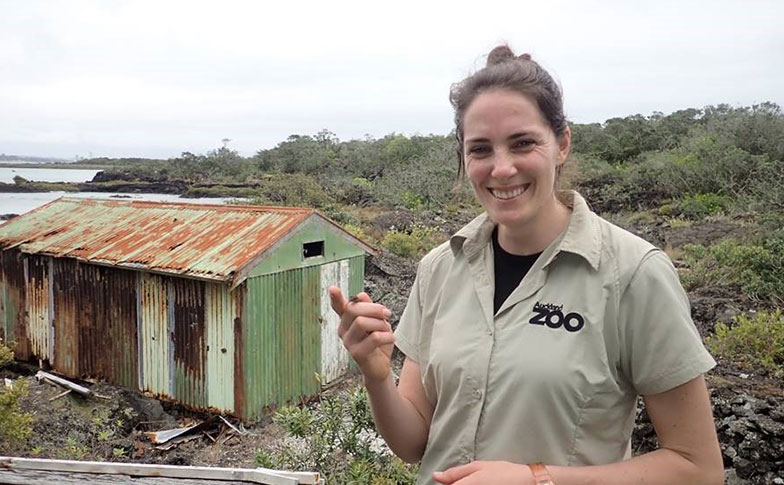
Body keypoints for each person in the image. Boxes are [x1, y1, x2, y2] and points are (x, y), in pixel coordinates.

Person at [328, 45, 724, 485]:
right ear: (464, 158)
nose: (502, 169)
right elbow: (414, 444)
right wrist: (377, 376)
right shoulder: (440, 268)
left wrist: (537, 479)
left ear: (562, 144)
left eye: (522, 143)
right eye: (480, 149)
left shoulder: (633, 274)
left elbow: (698, 468)